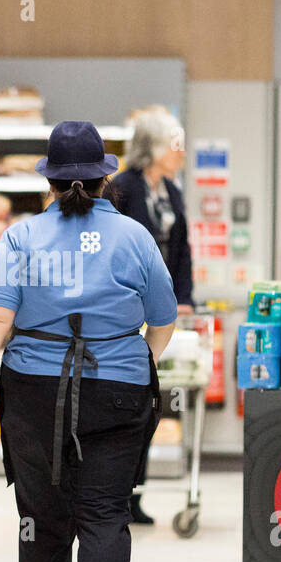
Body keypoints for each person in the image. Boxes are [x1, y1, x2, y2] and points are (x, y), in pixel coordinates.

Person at [0, 121, 177, 562]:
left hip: (35, 390)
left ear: (49, 182)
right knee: (106, 515)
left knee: (42, 517)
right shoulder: (134, 237)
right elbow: (164, 317)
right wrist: (133, 360)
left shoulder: (20, 239)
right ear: (105, 178)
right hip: (119, 390)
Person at [110, 106, 194, 524]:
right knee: (127, 400)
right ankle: (118, 494)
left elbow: (182, 251)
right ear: (153, 147)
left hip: (162, 309)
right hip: (127, 309)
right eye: (174, 143)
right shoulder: (122, 188)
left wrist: (184, 298)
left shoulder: (172, 192)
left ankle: (135, 496)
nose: (180, 151)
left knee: (149, 402)